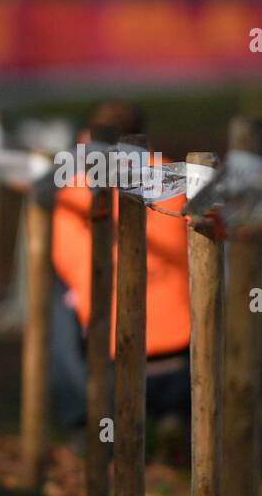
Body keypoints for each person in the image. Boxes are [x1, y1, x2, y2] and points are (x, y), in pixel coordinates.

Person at [49, 101, 192, 430]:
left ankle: (83, 417)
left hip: (114, 355)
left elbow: (69, 263)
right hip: (181, 351)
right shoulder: (178, 180)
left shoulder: (77, 188)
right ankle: (172, 419)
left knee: (59, 292)